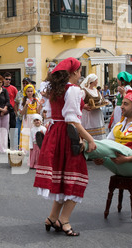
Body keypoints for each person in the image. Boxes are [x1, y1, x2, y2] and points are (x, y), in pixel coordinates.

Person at [33, 57, 96, 237]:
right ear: (74, 72)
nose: (80, 73)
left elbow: (50, 115)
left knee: (61, 178)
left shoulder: (56, 90)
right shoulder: (74, 90)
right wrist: (90, 139)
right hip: (67, 135)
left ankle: (52, 217)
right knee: (78, 178)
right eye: (79, 70)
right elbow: (72, 120)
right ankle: (64, 220)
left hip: (55, 133)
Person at [83, 91, 132, 180]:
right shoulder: (118, 125)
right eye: (121, 103)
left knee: (115, 147)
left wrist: (126, 159)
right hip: (117, 165)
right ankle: (80, 147)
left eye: (125, 104)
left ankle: (83, 144)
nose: (121, 107)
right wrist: (101, 158)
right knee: (106, 146)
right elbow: (107, 145)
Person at [80, 74, 107, 140]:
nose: (97, 82)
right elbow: (78, 101)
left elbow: (100, 100)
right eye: (96, 80)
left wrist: (102, 103)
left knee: (98, 132)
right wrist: (84, 106)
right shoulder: (84, 91)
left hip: (97, 114)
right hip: (88, 115)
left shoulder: (96, 91)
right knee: (89, 129)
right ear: (92, 81)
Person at [19, 84, 39, 151]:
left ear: (33, 92)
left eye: (31, 91)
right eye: (28, 91)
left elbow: (38, 112)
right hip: (27, 119)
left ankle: (34, 148)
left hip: (34, 120)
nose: (30, 93)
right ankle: (26, 149)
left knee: (34, 134)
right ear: (25, 92)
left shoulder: (36, 100)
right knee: (26, 135)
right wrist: (26, 105)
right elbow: (22, 113)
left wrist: (41, 105)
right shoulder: (23, 100)